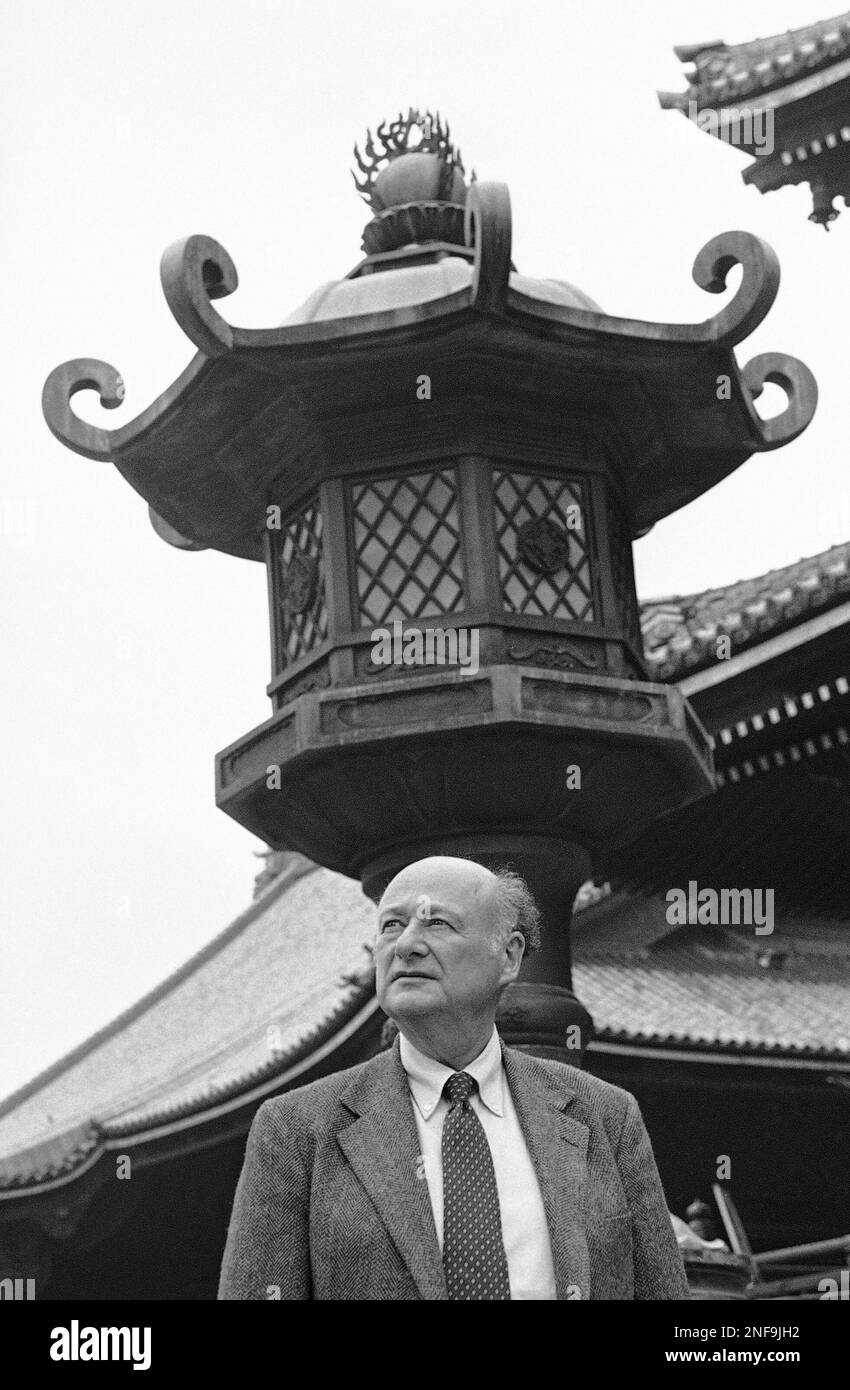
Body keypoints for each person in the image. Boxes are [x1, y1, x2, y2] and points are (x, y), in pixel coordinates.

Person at [218, 855, 688, 1300]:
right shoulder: (296, 1129)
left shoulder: (605, 1115)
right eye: (391, 925)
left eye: (436, 923)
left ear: (508, 956)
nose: (406, 944)